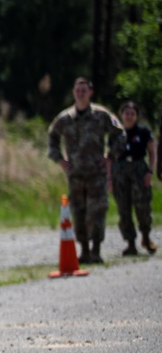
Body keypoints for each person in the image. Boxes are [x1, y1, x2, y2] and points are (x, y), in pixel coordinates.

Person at [47, 77, 126, 264]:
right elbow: (52, 138)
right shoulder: (65, 118)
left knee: (97, 211)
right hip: (75, 175)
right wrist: (59, 160)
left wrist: (109, 156)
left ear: (90, 92)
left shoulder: (101, 114)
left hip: (96, 174)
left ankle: (96, 251)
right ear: (73, 92)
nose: (80, 93)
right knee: (78, 212)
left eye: (84, 90)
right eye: (77, 90)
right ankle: (83, 251)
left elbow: (120, 134)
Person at [112, 101, 156, 255]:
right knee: (123, 208)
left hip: (139, 169)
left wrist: (150, 171)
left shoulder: (143, 131)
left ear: (136, 116)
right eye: (126, 113)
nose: (129, 116)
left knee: (142, 206)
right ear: (121, 115)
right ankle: (130, 243)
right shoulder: (115, 133)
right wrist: (109, 179)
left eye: (132, 113)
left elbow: (152, 152)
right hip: (120, 170)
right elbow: (109, 157)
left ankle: (146, 237)